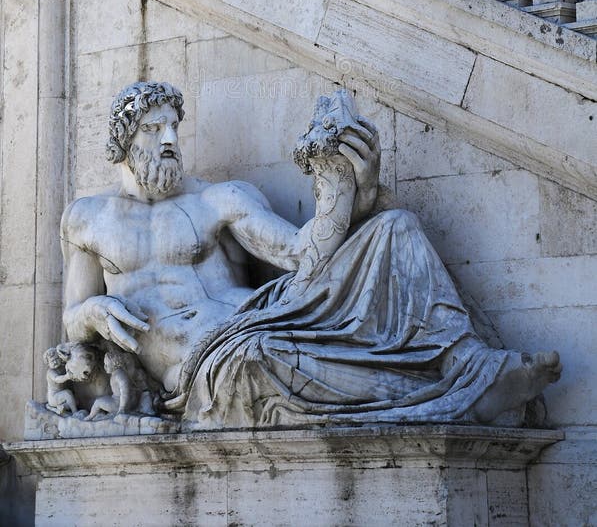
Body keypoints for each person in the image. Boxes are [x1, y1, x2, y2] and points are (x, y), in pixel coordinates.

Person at [60, 81, 561, 430]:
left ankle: (467, 364)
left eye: (174, 127)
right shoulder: (88, 218)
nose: (170, 139)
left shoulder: (218, 199)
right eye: (154, 129)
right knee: (261, 355)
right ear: (125, 139)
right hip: (204, 365)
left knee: (396, 227)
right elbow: (71, 321)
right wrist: (92, 311)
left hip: (262, 318)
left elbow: (300, 253)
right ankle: (457, 395)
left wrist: (358, 187)